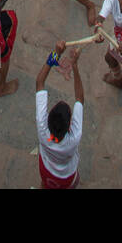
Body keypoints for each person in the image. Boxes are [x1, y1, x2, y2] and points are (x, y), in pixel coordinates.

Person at [34, 40, 84, 189]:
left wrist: (56, 54)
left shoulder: (42, 128)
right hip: (66, 178)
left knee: (45, 184)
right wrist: (74, 65)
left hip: (45, 169)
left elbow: (39, 82)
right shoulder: (74, 139)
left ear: (48, 117)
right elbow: (80, 98)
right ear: (69, 126)